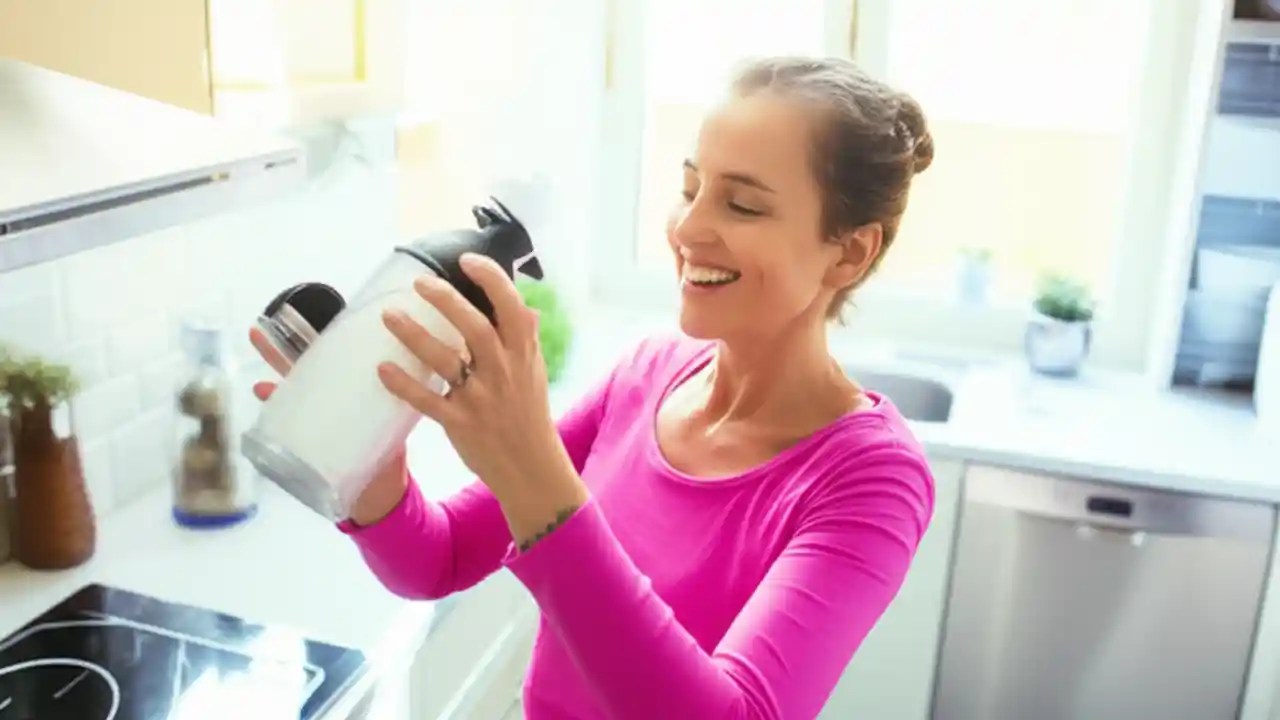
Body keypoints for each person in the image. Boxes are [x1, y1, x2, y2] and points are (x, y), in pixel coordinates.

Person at [251, 55, 936, 720]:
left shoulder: (871, 480)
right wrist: (366, 461)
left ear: (849, 251)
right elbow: (441, 557)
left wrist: (531, 470)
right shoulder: (647, 375)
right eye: (691, 188)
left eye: (743, 205)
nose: (689, 229)